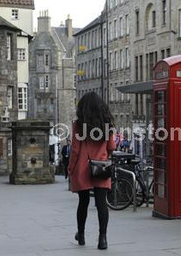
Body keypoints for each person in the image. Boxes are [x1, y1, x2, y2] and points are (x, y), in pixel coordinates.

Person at [68, 92, 116, 250]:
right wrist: (102, 156)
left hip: (82, 167)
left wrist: (70, 168)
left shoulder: (78, 124)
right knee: (102, 204)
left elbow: (75, 149)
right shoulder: (107, 123)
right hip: (101, 167)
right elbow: (111, 147)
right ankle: (103, 239)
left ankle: (80, 235)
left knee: (83, 202)